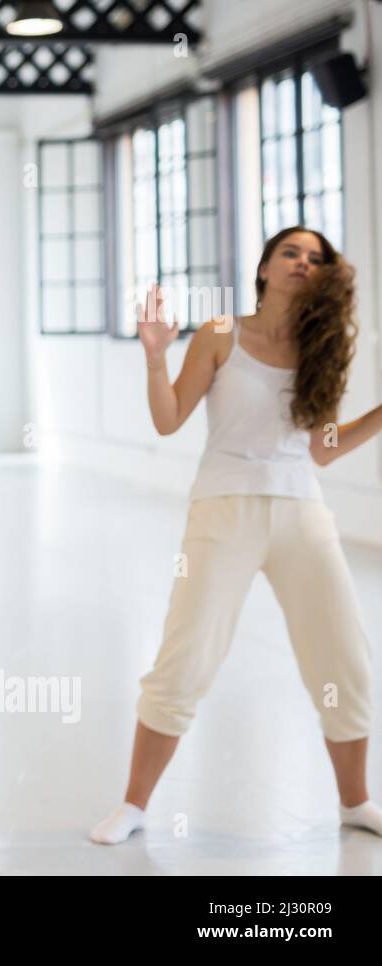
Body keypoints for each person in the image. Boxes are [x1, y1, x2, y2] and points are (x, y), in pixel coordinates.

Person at [91, 226, 382, 844]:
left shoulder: (323, 346)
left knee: (345, 659)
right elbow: (168, 421)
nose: (302, 263)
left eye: (314, 258)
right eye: (290, 253)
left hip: (302, 507)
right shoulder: (221, 334)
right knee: (187, 656)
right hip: (223, 508)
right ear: (265, 267)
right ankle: (134, 805)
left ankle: (356, 802)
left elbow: (321, 451)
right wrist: (154, 356)